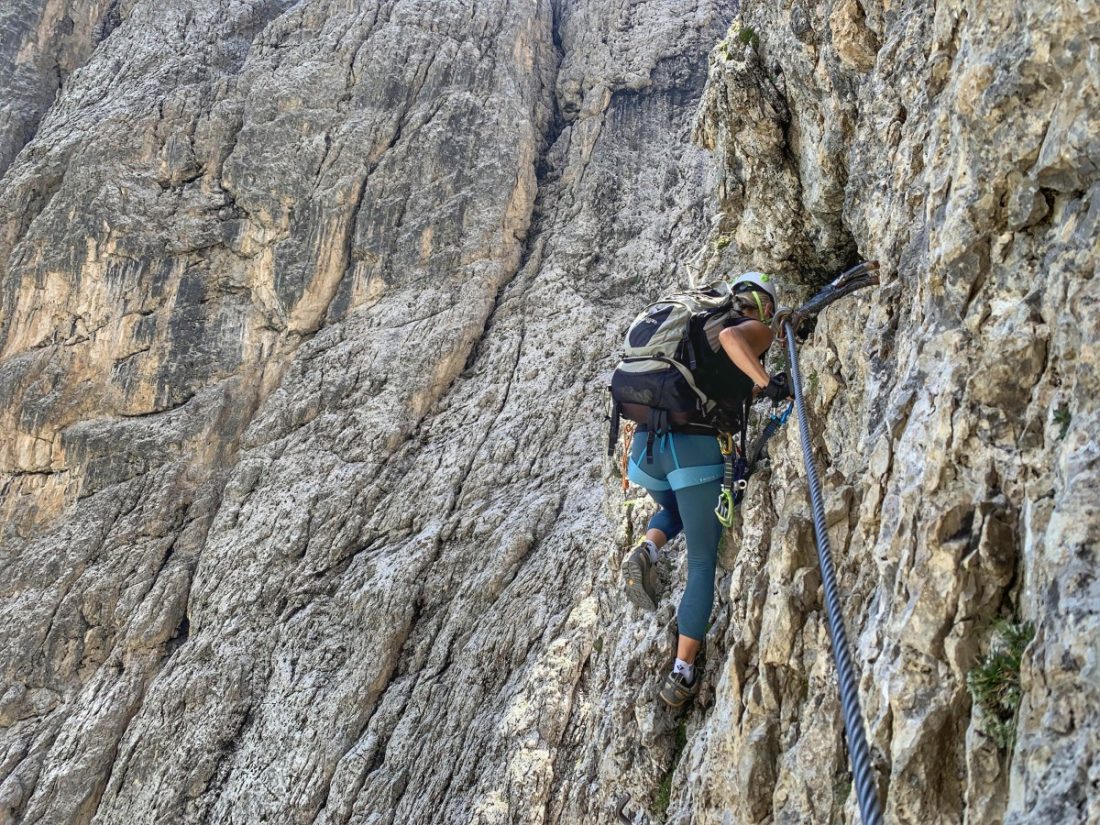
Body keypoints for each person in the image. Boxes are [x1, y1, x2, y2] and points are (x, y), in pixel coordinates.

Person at [621, 271, 789, 708]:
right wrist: (772, 384)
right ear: (762, 303)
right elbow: (738, 341)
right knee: (701, 561)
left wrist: (756, 382)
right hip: (691, 452)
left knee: (675, 510)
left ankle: (648, 549)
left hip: (646, 450)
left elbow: (721, 378)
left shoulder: (698, 327)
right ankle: (682, 673)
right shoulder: (749, 325)